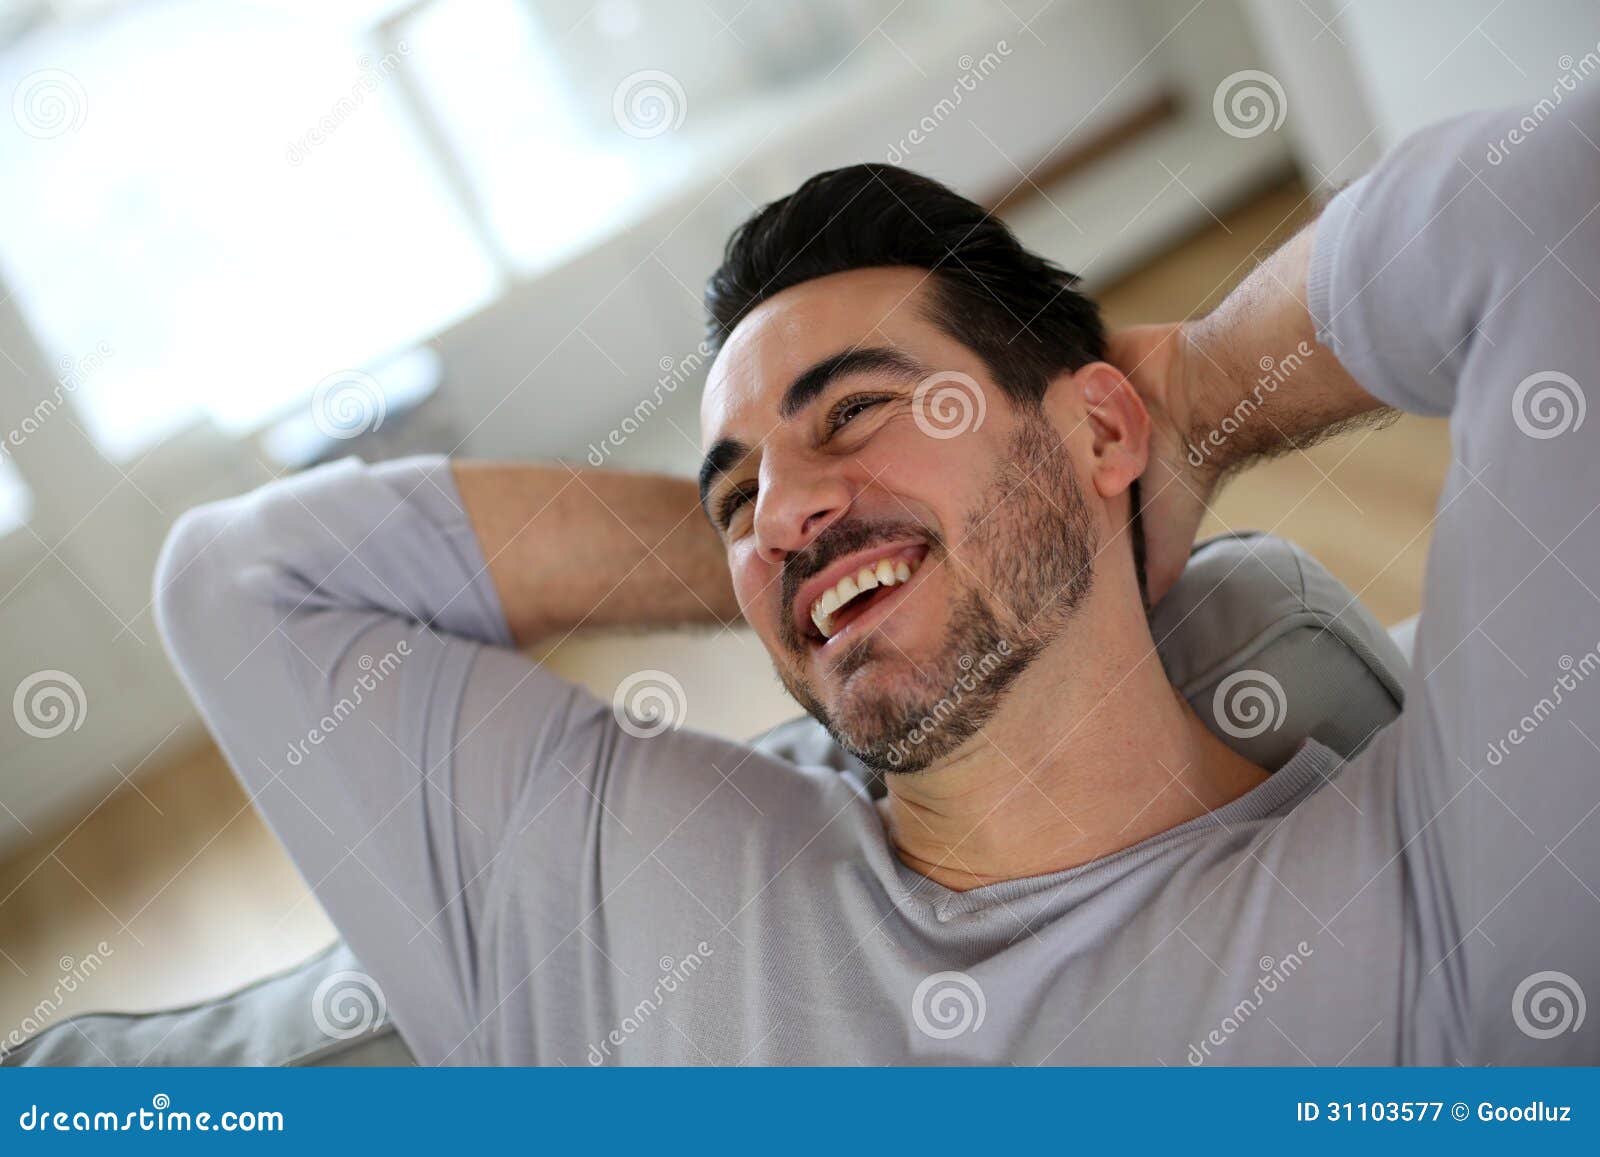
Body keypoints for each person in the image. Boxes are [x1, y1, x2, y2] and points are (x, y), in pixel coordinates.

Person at [155, 89, 1600, 1065]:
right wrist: (848, 526)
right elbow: (242, 581)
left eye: (855, 407)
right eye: (735, 490)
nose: (779, 508)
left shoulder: (1431, 918)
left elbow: (1556, 199)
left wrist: (1204, 390)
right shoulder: (619, 877)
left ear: (1100, 427)